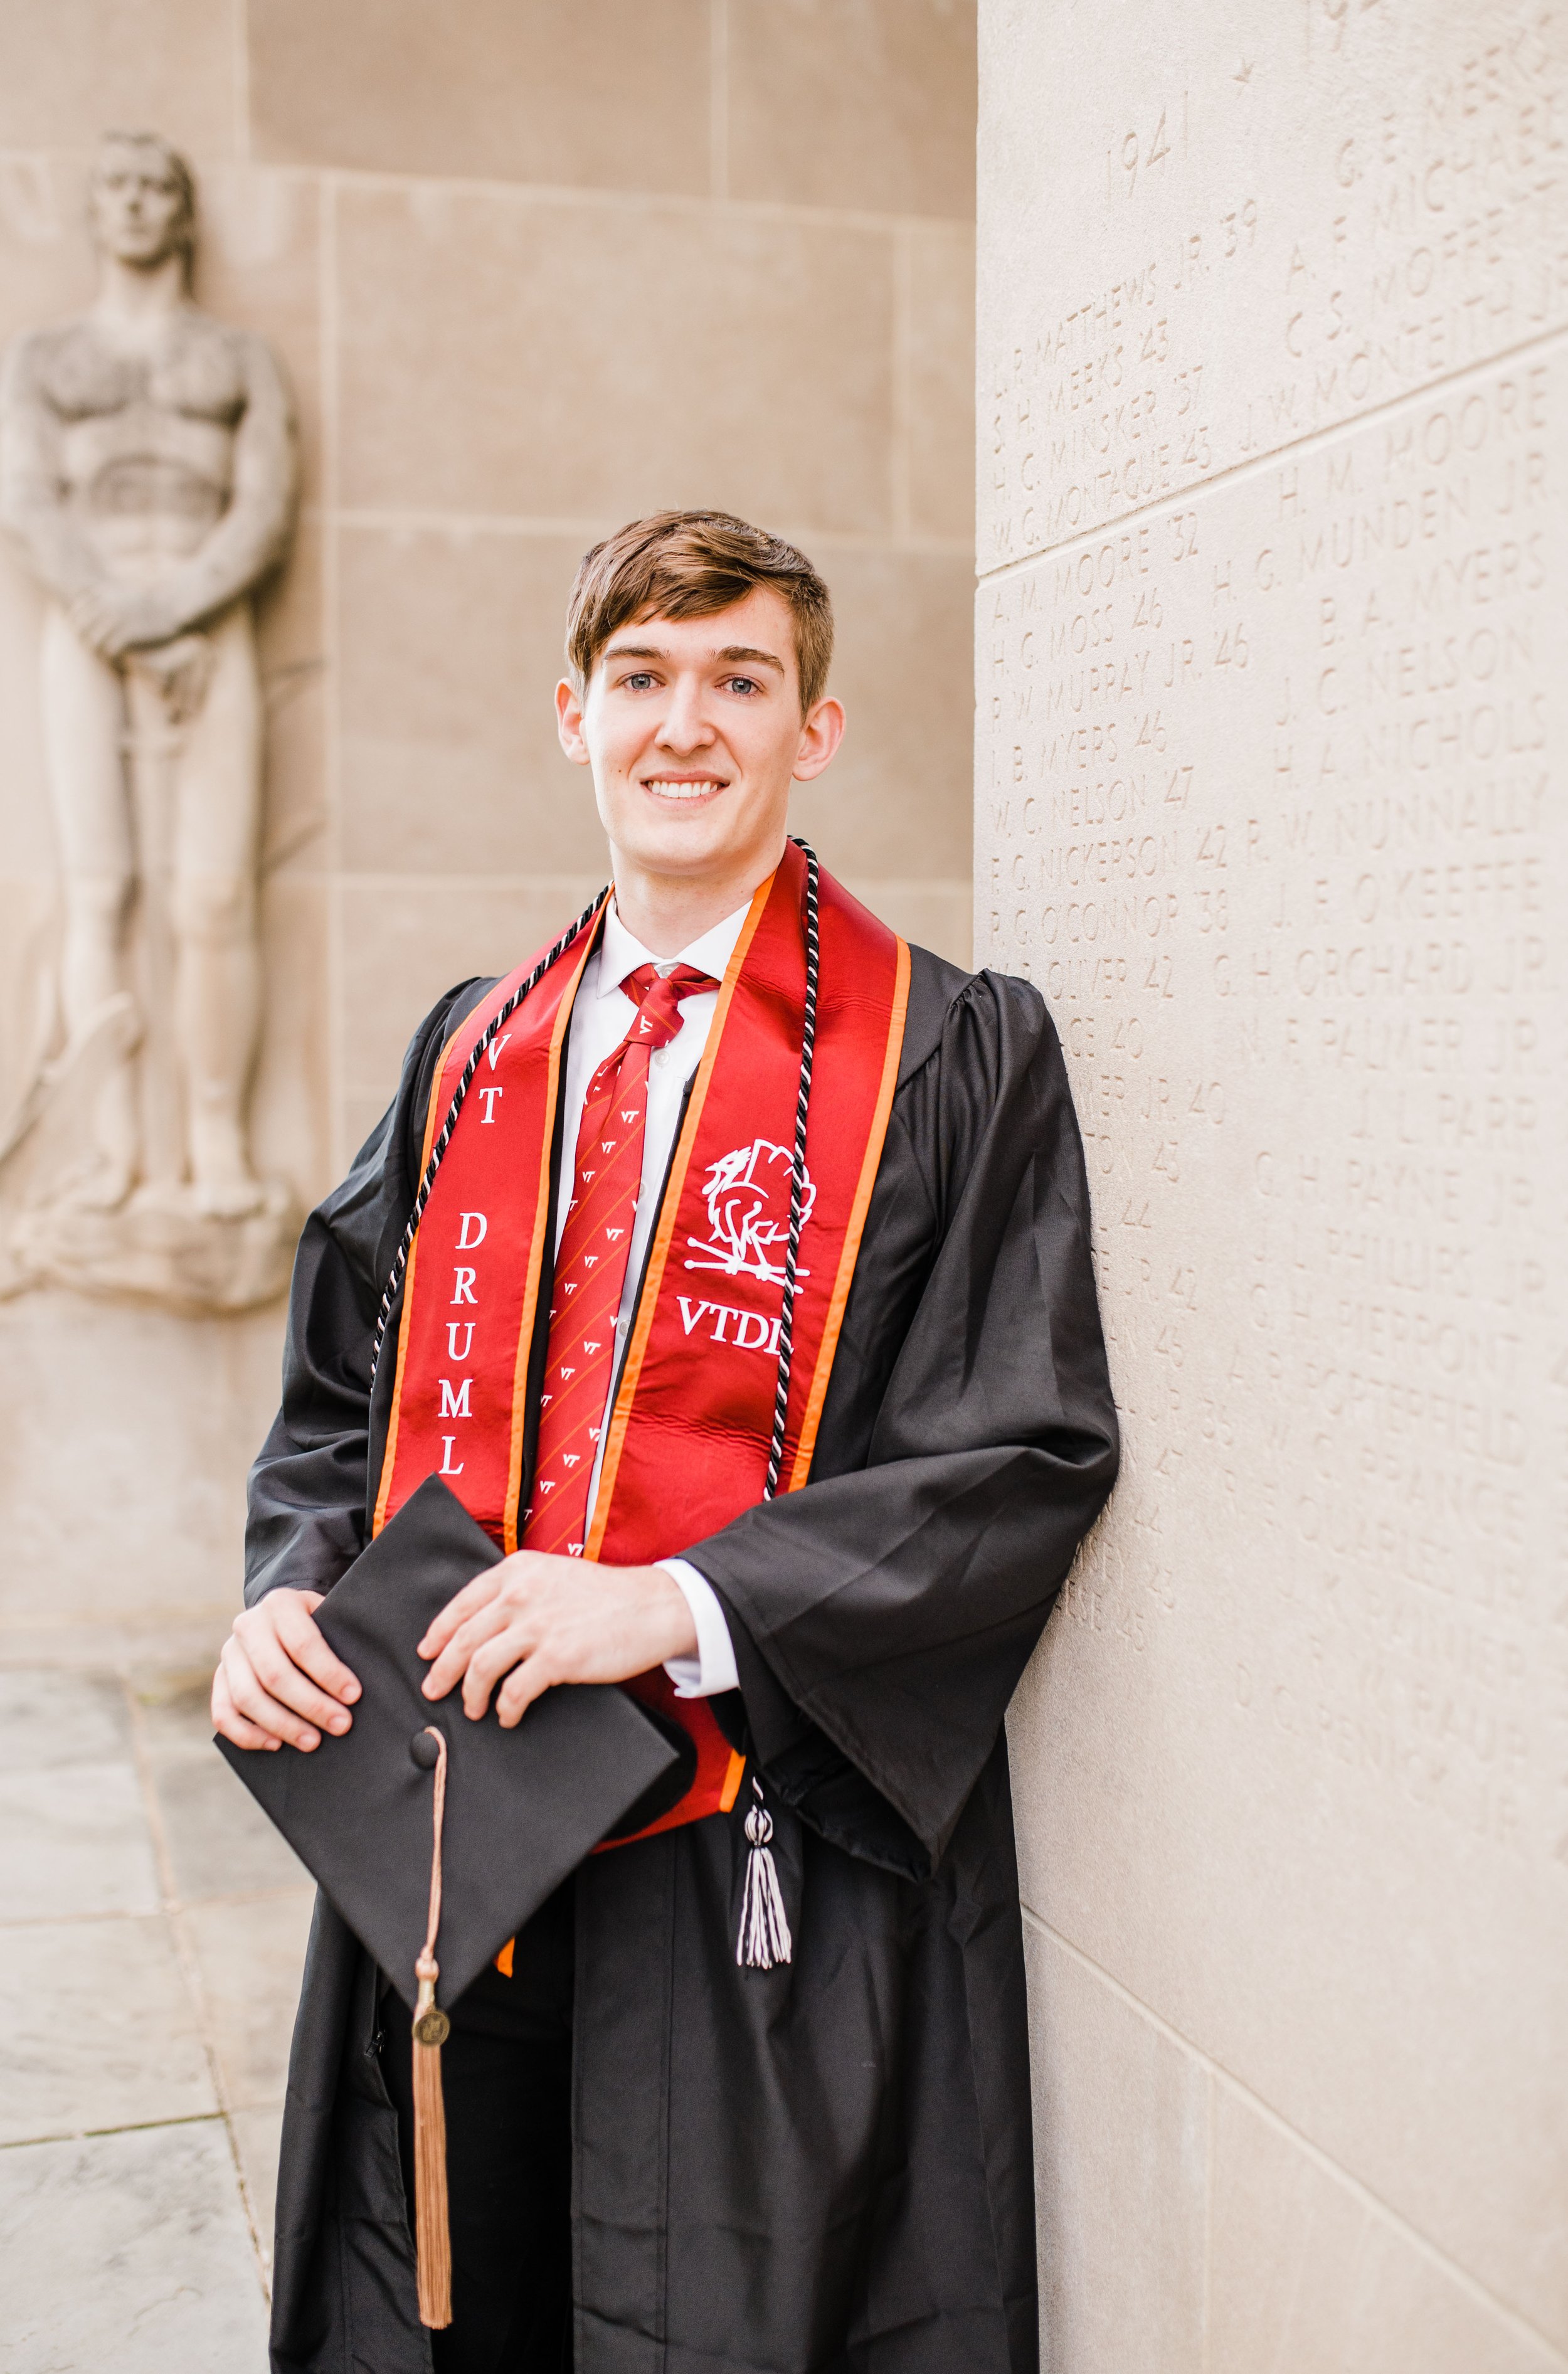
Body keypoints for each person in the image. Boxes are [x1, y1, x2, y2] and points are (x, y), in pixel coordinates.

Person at [215, 511, 1118, 2374]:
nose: (683, 723)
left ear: (818, 726)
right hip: (457, 1842)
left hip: (748, 1862)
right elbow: (335, 1407)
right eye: (641, 678)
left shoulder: (949, 1058)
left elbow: (1017, 1447)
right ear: (572, 716)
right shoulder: (472, 1055)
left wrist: (682, 1604)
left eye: (738, 678)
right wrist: (286, 1596)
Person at [0, 129, 295, 1217]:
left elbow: (262, 509)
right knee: (101, 890)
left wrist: (170, 613)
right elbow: (26, 498)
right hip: (87, 625)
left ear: (180, 213)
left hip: (208, 622)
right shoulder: (43, 358)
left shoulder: (236, 359)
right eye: (114, 184)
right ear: (94, 211)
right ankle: (114, 1147)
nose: (132, 203)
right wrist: (119, 620)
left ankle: (215, 1141)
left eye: (153, 187)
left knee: (212, 895)